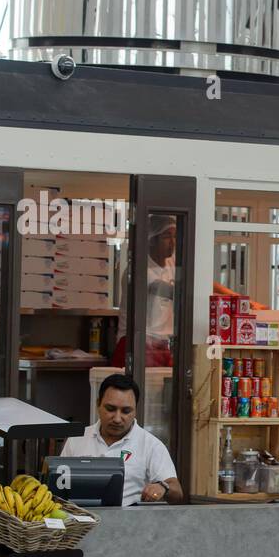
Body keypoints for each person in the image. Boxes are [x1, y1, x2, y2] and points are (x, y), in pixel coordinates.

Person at [61, 373, 183, 506]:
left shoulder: (150, 445)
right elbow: (59, 484)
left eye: (126, 411)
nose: (117, 418)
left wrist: (163, 487)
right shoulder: (77, 438)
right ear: (98, 405)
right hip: (80, 520)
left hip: (130, 523)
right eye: (111, 409)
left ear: (135, 410)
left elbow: (177, 491)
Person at [112, 215, 178, 368]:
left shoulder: (172, 263)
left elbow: (196, 281)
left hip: (162, 346)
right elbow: (166, 290)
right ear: (151, 239)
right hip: (136, 344)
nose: (173, 243)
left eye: (175, 236)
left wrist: (232, 295)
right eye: (166, 237)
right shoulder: (139, 268)